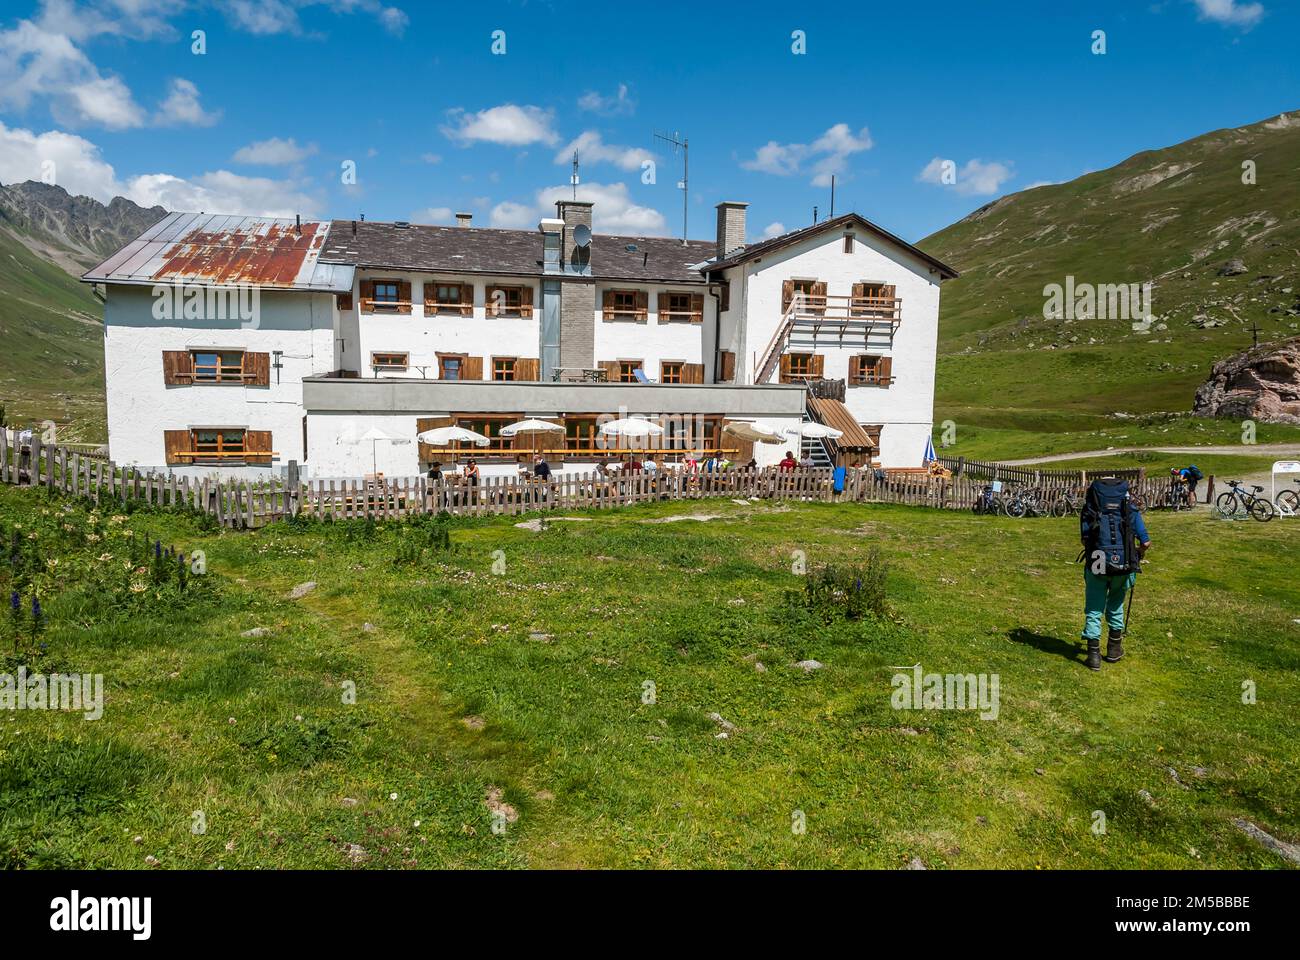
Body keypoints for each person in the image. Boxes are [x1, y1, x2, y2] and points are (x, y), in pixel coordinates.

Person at [1079, 477, 1151, 671]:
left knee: (1094, 607)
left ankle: (1093, 655)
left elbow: (1085, 540)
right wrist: (1139, 553)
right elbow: (1145, 542)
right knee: (1116, 604)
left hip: (1097, 561)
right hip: (1124, 564)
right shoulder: (1130, 510)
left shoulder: (1089, 510)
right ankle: (1114, 649)